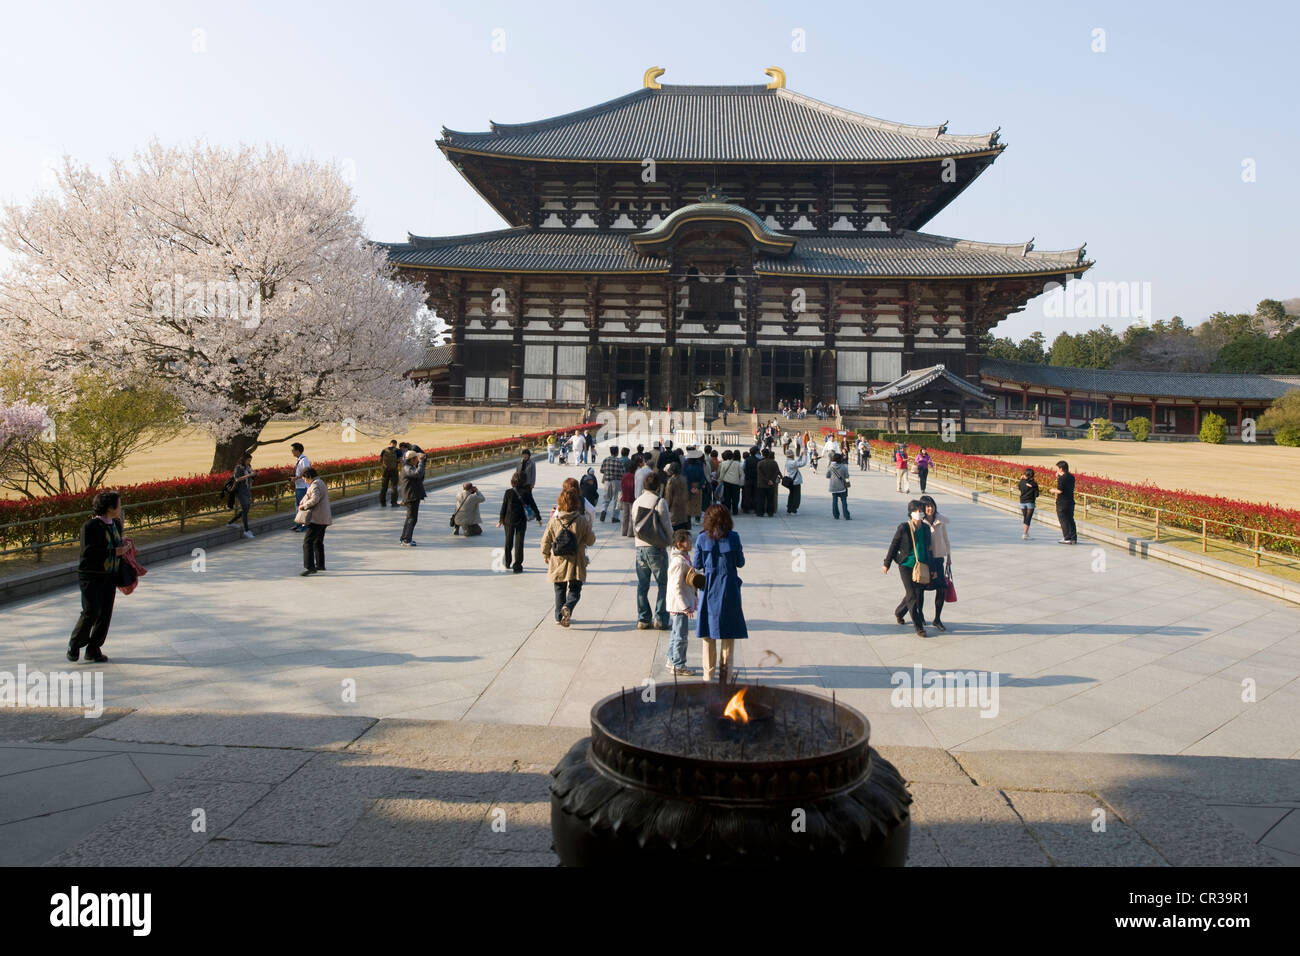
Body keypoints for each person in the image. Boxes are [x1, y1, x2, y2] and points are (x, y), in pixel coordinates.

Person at [68, 490, 130, 663]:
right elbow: (88, 552)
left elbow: (117, 543)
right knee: (91, 611)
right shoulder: (90, 526)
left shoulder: (116, 524)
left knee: (105, 613)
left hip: (110, 575)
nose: (120, 507)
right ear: (109, 507)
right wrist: (114, 551)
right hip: (91, 575)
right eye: (119, 503)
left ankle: (93, 648)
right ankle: (75, 643)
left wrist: (124, 545)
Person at [694, 504, 748, 684]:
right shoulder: (734, 537)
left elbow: (697, 564)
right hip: (729, 588)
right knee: (728, 634)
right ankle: (725, 677)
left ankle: (708, 677)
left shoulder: (702, 538)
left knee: (708, 635)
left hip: (709, 587)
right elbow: (740, 562)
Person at [540, 488, 595, 627]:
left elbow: (545, 540)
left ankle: (559, 616)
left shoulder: (554, 521)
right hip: (576, 561)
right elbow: (591, 540)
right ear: (576, 503)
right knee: (575, 589)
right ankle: (569, 607)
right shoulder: (581, 520)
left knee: (559, 589)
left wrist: (546, 554)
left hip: (558, 560)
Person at [882, 500, 930, 638]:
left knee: (915, 593)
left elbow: (928, 549)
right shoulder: (904, 527)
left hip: (921, 566)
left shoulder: (926, 529)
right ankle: (918, 626)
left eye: (921, 511)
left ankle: (899, 612)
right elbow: (894, 545)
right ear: (910, 513)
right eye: (916, 511)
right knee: (913, 594)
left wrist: (932, 567)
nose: (919, 513)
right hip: (906, 565)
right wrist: (887, 563)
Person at [632, 471, 672, 630]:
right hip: (656, 548)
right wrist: (671, 541)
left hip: (640, 547)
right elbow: (667, 525)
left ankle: (643, 618)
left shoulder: (637, 502)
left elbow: (634, 525)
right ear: (658, 486)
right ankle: (660, 618)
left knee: (643, 584)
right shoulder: (659, 502)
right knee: (663, 583)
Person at [665, 529, 700, 677]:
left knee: (675, 634)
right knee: (680, 636)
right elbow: (676, 587)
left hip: (679, 604)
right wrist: (684, 606)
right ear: (680, 544)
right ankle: (679, 665)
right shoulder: (679, 562)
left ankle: (671, 660)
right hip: (679, 606)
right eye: (688, 541)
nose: (691, 543)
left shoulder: (682, 557)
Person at [919, 495, 950, 631]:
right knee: (920, 590)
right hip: (925, 561)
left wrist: (948, 556)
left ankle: (937, 619)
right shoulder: (919, 522)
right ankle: (920, 615)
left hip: (938, 559)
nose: (930, 508)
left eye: (931, 505)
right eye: (927, 506)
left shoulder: (940, 520)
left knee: (941, 588)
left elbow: (945, 538)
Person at [295, 467, 332, 575]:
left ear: (309, 477)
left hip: (317, 518)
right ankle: (320, 564)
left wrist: (304, 506)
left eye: (305, 479)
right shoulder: (320, 482)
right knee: (318, 542)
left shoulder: (315, 484)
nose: (305, 481)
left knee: (308, 542)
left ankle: (310, 567)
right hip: (323, 518)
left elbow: (315, 499)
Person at [497, 472, 528, 572]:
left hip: (509, 520)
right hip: (521, 520)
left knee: (508, 542)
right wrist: (538, 517)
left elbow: (504, 506)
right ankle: (517, 565)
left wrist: (501, 519)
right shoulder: (526, 492)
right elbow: (532, 505)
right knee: (519, 543)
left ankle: (507, 562)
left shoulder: (508, 492)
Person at [399, 449, 427, 546]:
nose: (417, 460)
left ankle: (404, 538)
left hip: (413, 496)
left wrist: (421, 463)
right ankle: (406, 540)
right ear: (412, 459)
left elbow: (420, 476)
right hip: (411, 496)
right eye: (416, 458)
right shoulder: (407, 468)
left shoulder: (410, 467)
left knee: (410, 518)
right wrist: (421, 462)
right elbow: (418, 474)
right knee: (412, 518)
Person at [225, 453, 257, 538]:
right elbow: (237, 479)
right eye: (248, 460)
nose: (249, 462)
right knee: (245, 508)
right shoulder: (238, 467)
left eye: (250, 460)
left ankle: (231, 522)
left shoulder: (248, 467)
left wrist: (254, 474)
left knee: (246, 509)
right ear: (243, 460)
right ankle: (246, 530)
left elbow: (250, 477)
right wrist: (249, 475)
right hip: (240, 491)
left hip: (247, 490)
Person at [1052, 460, 1077, 544]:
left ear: (1061, 468)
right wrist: (1059, 477)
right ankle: (1073, 538)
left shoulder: (1061, 479)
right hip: (1070, 501)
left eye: (1058, 468)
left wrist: (1053, 490)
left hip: (1062, 503)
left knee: (1063, 520)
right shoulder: (1072, 477)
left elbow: (1060, 490)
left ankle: (1067, 537)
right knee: (1070, 520)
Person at [599, 444, 625, 522]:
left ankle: (604, 510)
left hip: (607, 481)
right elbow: (623, 472)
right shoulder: (619, 461)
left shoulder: (606, 459)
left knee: (606, 498)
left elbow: (601, 470)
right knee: (617, 499)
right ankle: (615, 517)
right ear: (617, 452)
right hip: (617, 481)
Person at [516, 450, 542, 527]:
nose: (525, 456)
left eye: (526, 455)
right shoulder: (519, 462)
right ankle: (523, 513)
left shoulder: (532, 463)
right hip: (520, 483)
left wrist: (532, 484)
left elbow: (533, 474)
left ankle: (534, 513)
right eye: (523, 455)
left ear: (529, 456)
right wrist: (516, 482)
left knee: (530, 500)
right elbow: (516, 472)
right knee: (520, 499)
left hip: (527, 484)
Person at [664, 460, 690, 532]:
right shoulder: (684, 478)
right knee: (682, 523)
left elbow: (668, 496)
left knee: (675, 525)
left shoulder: (671, 481)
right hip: (683, 504)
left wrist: (667, 507)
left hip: (674, 506)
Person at [683, 447, 706, 525]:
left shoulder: (686, 464)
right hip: (698, 485)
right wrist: (698, 487)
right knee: (698, 503)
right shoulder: (699, 464)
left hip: (688, 485)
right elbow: (703, 477)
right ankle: (697, 519)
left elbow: (685, 477)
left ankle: (688, 519)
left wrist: (690, 488)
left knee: (688, 502)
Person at [290, 442, 310, 532]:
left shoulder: (304, 460)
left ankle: (304, 525)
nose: (292, 452)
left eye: (293, 450)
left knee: (302, 506)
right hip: (298, 486)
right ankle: (298, 524)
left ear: (298, 451)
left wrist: (296, 477)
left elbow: (306, 471)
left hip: (303, 487)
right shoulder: (300, 459)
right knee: (298, 506)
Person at [620, 454, 641, 537]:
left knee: (625, 515)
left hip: (625, 497)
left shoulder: (624, 475)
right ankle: (630, 532)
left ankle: (623, 531)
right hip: (632, 497)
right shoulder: (634, 476)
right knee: (632, 515)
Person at [756, 449, 781, 517]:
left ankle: (760, 512)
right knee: (770, 499)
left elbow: (760, 474)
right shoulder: (774, 462)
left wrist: (767, 480)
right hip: (771, 484)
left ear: (763, 454)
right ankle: (770, 512)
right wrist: (771, 480)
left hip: (762, 484)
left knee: (761, 499)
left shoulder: (760, 463)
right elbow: (776, 472)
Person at [827, 452, 852, 520]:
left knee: (834, 501)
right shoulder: (844, 466)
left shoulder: (831, 467)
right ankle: (846, 515)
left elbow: (827, 475)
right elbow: (847, 476)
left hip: (833, 486)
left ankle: (836, 515)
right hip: (842, 486)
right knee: (844, 501)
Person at [783, 446, 807, 514]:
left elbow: (796, 462)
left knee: (791, 495)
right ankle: (794, 509)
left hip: (791, 481)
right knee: (796, 497)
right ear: (791, 455)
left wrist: (801, 456)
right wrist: (805, 455)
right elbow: (803, 463)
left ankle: (789, 508)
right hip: (795, 482)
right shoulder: (791, 462)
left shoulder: (788, 461)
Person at [1018, 467, 1040, 539]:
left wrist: (1022, 479)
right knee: (1028, 518)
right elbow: (1037, 495)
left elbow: (1020, 488)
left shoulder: (1021, 482)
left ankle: (1026, 533)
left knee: (1025, 518)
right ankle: (1025, 534)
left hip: (1022, 502)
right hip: (1030, 502)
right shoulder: (1034, 484)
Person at [379, 440, 401, 507]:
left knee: (384, 487)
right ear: (396, 444)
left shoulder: (384, 450)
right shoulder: (398, 451)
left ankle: (383, 503)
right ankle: (393, 503)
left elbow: (380, 459)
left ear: (390, 444)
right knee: (394, 487)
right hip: (394, 470)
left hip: (385, 471)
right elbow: (400, 460)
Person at [741, 448, 758, 514]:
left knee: (747, 494)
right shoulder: (757, 460)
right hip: (755, 478)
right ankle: (755, 507)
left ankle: (746, 508)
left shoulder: (747, 460)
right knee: (755, 494)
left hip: (748, 479)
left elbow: (744, 468)